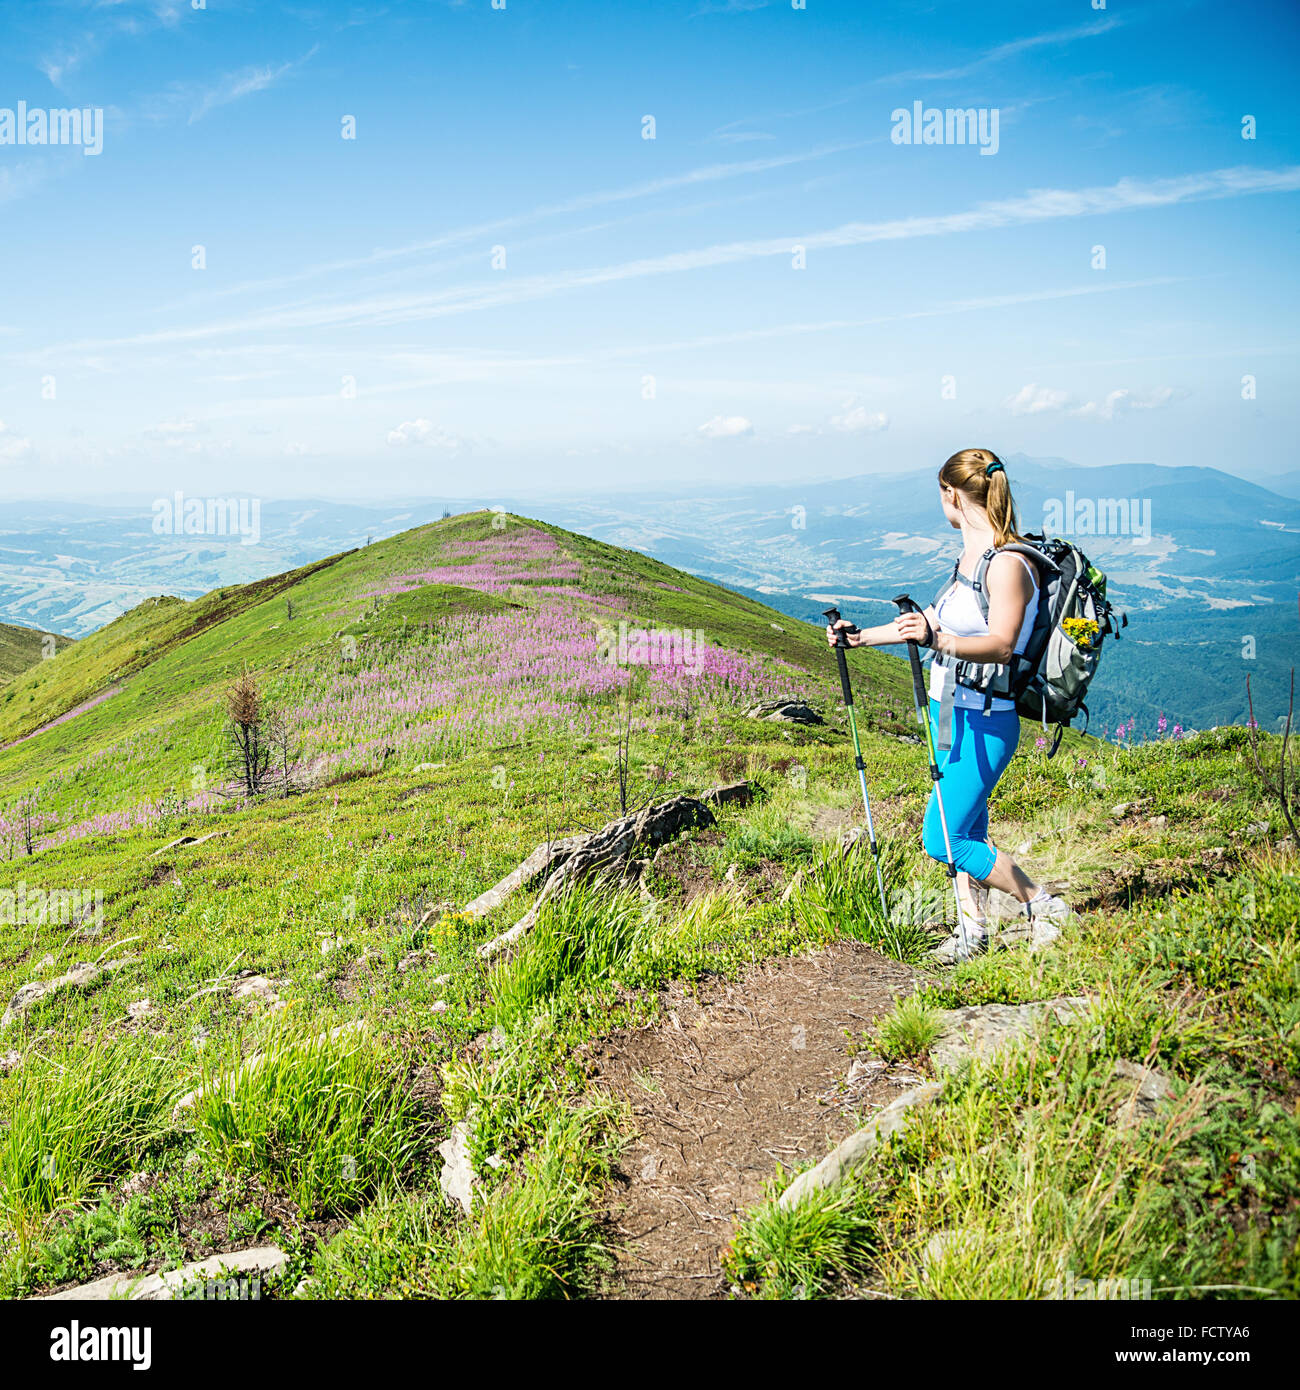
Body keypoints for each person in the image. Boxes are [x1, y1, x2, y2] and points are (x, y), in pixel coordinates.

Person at [826, 447, 1070, 961]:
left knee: (942, 839)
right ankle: (972, 933)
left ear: (951, 495)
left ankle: (1042, 904)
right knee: (967, 828)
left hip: (985, 719)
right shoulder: (969, 562)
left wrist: (941, 643)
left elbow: (1002, 643)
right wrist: (860, 638)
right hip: (950, 712)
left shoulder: (1008, 564)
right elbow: (932, 622)